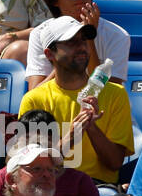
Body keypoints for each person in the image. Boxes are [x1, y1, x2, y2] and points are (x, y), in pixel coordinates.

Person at [19, 17, 132, 186]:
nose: (81, 47)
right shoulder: (34, 99)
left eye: (83, 41)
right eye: (71, 43)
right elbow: (31, 166)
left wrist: (92, 128)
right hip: (50, 186)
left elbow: (115, 163)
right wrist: (71, 136)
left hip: (99, 188)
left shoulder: (116, 94)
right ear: (49, 54)